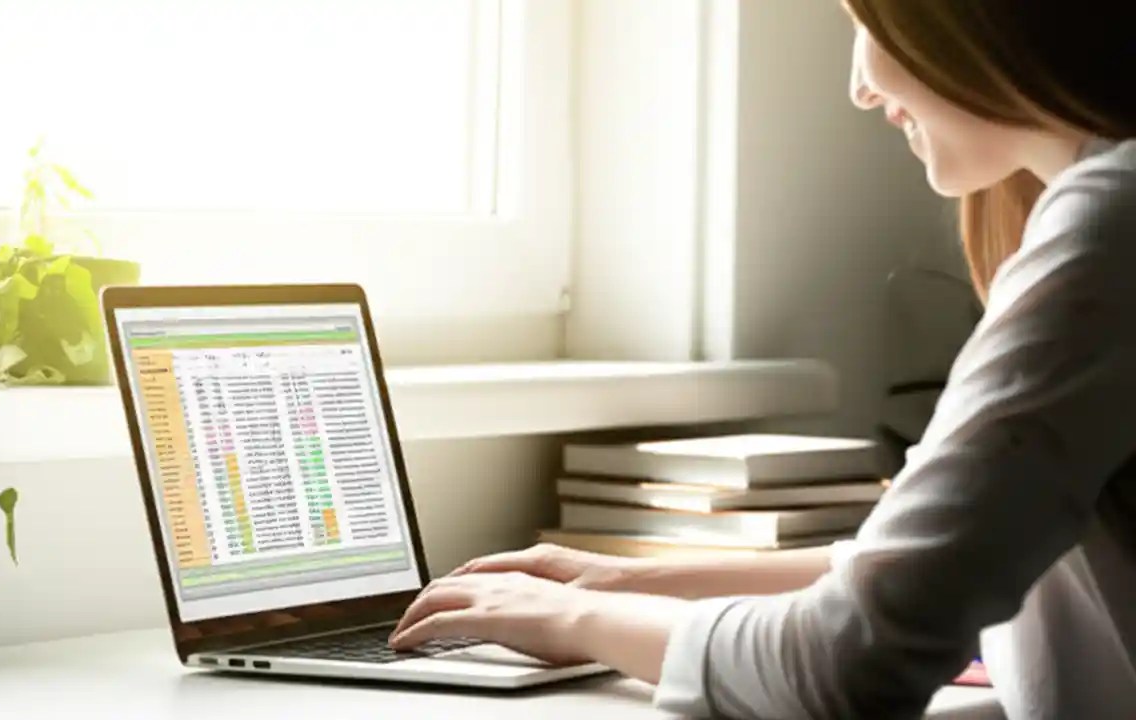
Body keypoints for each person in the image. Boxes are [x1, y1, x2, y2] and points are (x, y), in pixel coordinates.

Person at [389, 2, 1136, 717]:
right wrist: (632, 582)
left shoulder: (1111, 231)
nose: (860, 85)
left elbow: (848, 662)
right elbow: (931, 569)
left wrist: (577, 620)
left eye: (868, 24)